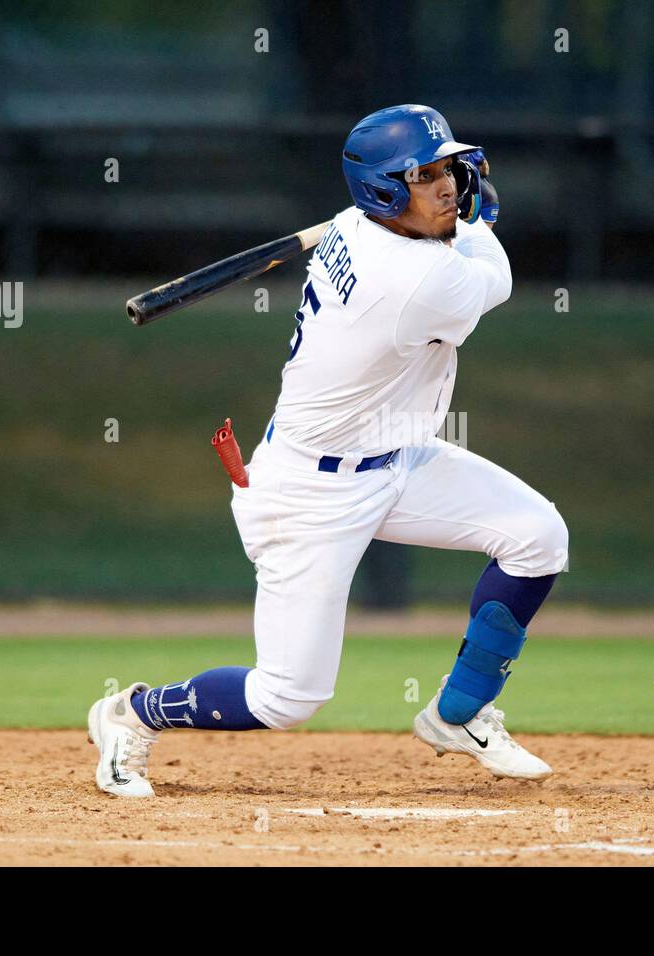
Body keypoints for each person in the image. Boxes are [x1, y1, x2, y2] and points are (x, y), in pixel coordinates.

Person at [87, 105, 568, 797]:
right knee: (286, 698)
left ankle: (457, 714)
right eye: (424, 175)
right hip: (309, 493)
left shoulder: (359, 229)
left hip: (396, 457)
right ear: (381, 193)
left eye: (447, 170)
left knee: (537, 537)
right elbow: (495, 276)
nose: (448, 186)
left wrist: (457, 217)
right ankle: (130, 712)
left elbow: (439, 238)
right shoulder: (418, 282)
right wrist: (483, 221)